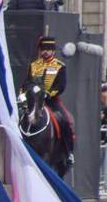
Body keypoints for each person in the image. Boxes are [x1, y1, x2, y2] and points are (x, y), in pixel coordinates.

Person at [24, 35, 75, 166]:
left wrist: (48, 94)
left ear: (53, 51)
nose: (45, 51)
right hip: (33, 100)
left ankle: (69, 152)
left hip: (51, 101)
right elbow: (27, 83)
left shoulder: (59, 66)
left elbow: (61, 86)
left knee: (65, 120)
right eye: (43, 48)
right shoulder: (34, 66)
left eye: (48, 49)